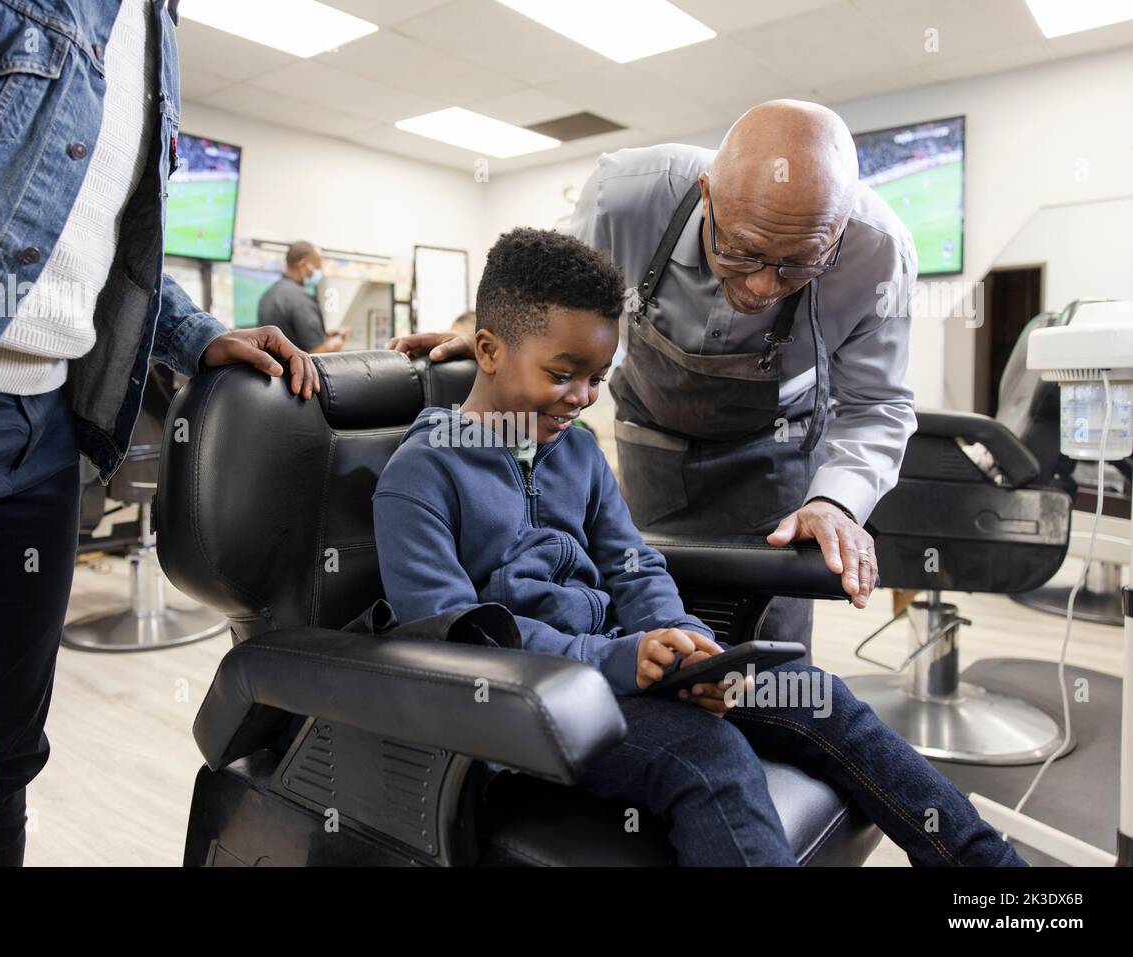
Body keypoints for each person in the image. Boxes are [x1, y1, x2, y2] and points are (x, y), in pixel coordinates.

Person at [0, 0, 317, 865]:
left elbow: (98, 244)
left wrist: (197, 335)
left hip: (47, 430)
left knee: (9, 764)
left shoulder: (158, 28)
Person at [372, 228, 1025, 866]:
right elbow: (456, 638)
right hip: (525, 706)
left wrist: (689, 647)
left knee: (823, 700)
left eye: (599, 377)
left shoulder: (574, 449)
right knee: (709, 755)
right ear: (487, 350)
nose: (582, 399)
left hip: (618, 667)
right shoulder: (421, 475)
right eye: (563, 374)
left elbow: (633, 564)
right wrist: (615, 660)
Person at [387, 100, 921, 665]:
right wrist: (511, 349)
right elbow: (564, 311)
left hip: (774, 455)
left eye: (800, 263)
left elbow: (878, 403)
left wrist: (836, 502)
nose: (765, 287)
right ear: (708, 195)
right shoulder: (624, 198)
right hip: (652, 443)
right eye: (742, 252)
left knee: (773, 667)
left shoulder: (880, 252)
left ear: (837, 233)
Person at [257, 241, 351, 354]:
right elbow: (316, 352)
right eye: (317, 267)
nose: (319, 273)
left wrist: (327, 334)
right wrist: (339, 339)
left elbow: (291, 334)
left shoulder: (268, 295)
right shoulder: (301, 299)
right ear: (303, 265)